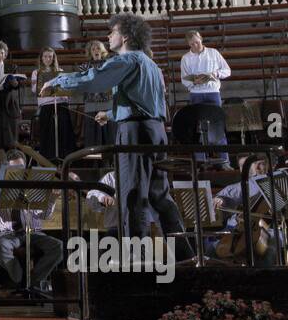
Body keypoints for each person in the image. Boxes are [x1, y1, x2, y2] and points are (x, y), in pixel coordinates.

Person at [40, 14, 191, 258]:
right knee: (159, 196)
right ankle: (186, 255)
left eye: (113, 32)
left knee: (132, 197)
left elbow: (96, 78)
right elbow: (147, 102)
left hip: (135, 133)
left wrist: (59, 80)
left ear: (127, 36)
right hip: (156, 131)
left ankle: (136, 263)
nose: (109, 35)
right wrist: (111, 115)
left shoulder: (127, 59)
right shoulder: (150, 63)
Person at [0, 149, 63, 295]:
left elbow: (44, 216)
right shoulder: (0, 186)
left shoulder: (32, 186)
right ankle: (20, 281)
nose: (18, 172)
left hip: (33, 232)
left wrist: (51, 199)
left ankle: (32, 282)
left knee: (58, 246)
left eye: (21, 168)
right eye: (14, 169)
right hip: (10, 234)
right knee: (2, 246)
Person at [179, 30, 231, 163]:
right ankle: (200, 162)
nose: (195, 46)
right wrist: (193, 81)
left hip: (213, 92)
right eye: (192, 44)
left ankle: (224, 161)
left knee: (217, 125)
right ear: (188, 44)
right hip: (196, 94)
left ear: (201, 39)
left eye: (197, 42)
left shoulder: (213, 53)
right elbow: (184, 80)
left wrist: (216, 74)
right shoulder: (185, 58)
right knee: (197, 128)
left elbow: (227, 71)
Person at [31, 46, 78, 161]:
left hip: (60, 104)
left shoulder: (60, 71)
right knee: (48, 132)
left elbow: (66, 89)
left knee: (63, 131)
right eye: (45, 56)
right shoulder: (36, 73)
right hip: (46, 105)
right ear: (41, 58)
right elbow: (34, 89)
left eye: (50, 57)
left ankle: (64, 157)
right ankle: (48, 158)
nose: (48, 59)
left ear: (53, 58)